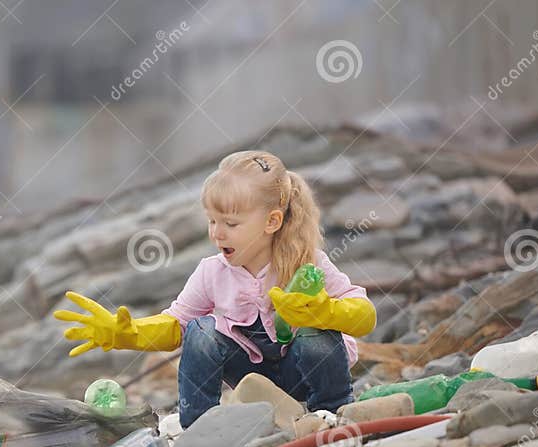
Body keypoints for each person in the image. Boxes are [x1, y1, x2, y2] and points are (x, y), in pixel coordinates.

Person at [53, 150, 377, 428]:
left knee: (317, 334)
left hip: (304, 376)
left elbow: (365, 315)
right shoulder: (211, 272)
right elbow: (176, 325)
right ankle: (199, 427)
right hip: (250, 379)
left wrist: (326, 312)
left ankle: (334, 413)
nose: (217, 234)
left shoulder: (308, 264)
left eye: (231, 224)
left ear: (272, 222)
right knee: (201, 330)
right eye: (212, 221)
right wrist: (129, 333)